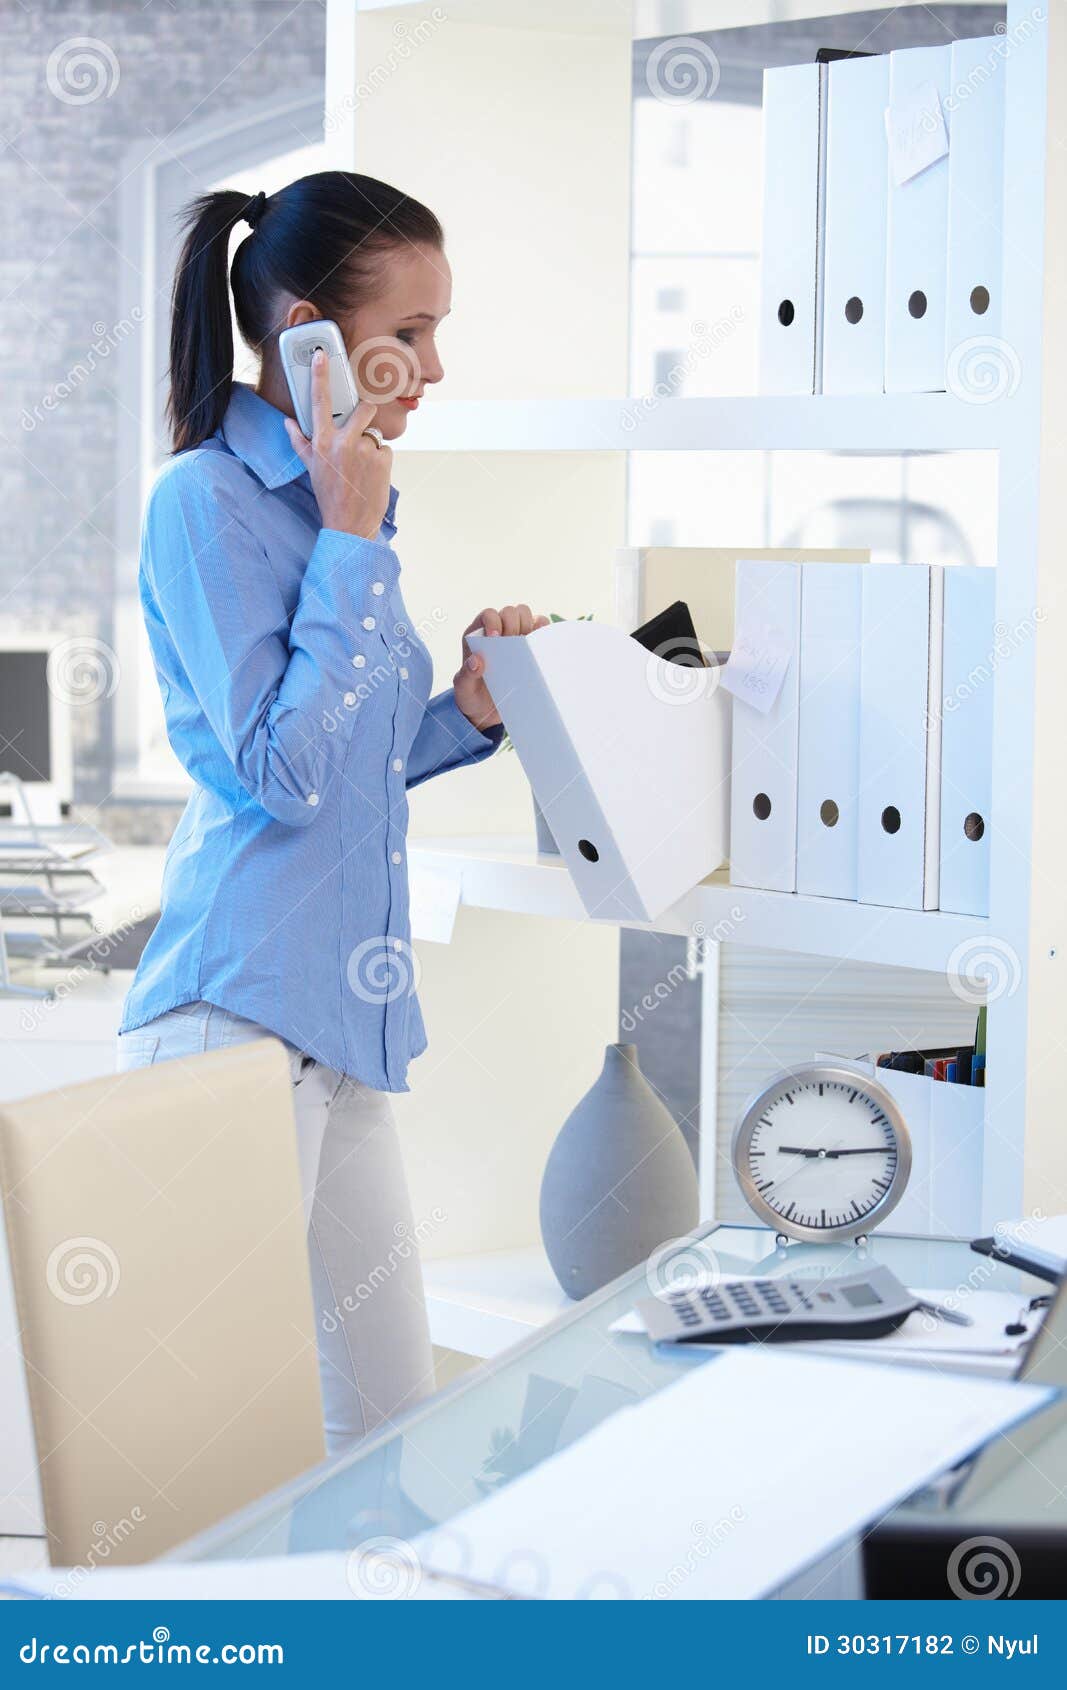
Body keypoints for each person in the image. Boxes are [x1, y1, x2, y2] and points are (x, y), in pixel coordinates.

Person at [117, 171, 547, 1454]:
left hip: (337, 1045)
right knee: (211, 1452)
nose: (430, 366)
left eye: (436, 333)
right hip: (231, 1027)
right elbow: (280, 772)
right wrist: (354, 542)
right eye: (406, 335)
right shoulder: (203, 502)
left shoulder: (332, 502)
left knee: (386, 1429)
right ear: (308, 329)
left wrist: (467, 709)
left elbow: (349, 771)